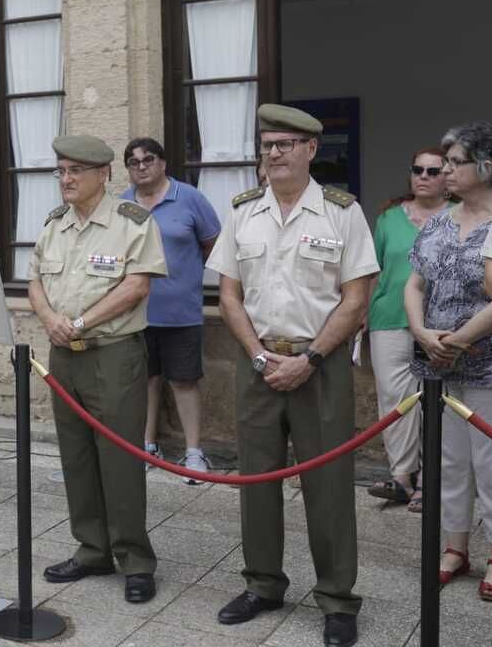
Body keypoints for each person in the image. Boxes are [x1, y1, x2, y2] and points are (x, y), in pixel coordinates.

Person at [205, 104, 377, 647]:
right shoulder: (242, 211)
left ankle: (336, 599)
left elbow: (356, 299)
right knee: (256, 482)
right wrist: (257, 355)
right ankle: (262, 584)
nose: (273, 154)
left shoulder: (342, 213)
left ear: (310, 150)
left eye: (284, 144)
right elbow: (228, 294)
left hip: (318, 367)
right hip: (258, 365)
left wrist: (312, 359)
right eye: (266, 145)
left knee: (327, 487)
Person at [28, 134, 166, 604]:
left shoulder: (131, 222)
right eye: (61, 171)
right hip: (64, 356)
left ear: (103, 175)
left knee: (120, 458)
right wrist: (50, 321)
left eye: (75, 172)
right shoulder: (53, 225)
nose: (65, 180)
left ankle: (135, 559)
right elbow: (34, 283)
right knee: (76, 455)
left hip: (113, 354)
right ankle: (92, 548)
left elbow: (137, 286)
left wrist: (81, 322)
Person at [407, 122, 492, 602]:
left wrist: (461, 338)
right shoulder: (438, 220)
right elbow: (415, 284)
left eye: (455, 162)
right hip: (436, 361)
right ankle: (455, 547)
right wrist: (420, 331)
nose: (445, 170)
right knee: (448, 461)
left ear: (487, 167)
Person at [120, 137, 221, 480]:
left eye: (148, 159)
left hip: (181, 311)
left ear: (163, 163)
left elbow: (213, 245)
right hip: (133, 312)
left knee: (184, 381)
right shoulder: (120, 204)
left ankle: (194, 452)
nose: (141, 166)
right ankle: (147, 447)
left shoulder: (189, 198)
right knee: (144, 381)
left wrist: (187, 279)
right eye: (133, 162)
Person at [364, 148, 448, 512]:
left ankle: (431, 482)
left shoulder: (460, 217)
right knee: (395, 400)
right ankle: (401, 476)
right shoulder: (387, 218)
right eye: (418, 169)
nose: (424, 176)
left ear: (449, 176)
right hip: (389, 318)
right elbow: (375, 271)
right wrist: (362, 318)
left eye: (433, 170)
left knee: (439, 403)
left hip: (443, 324)